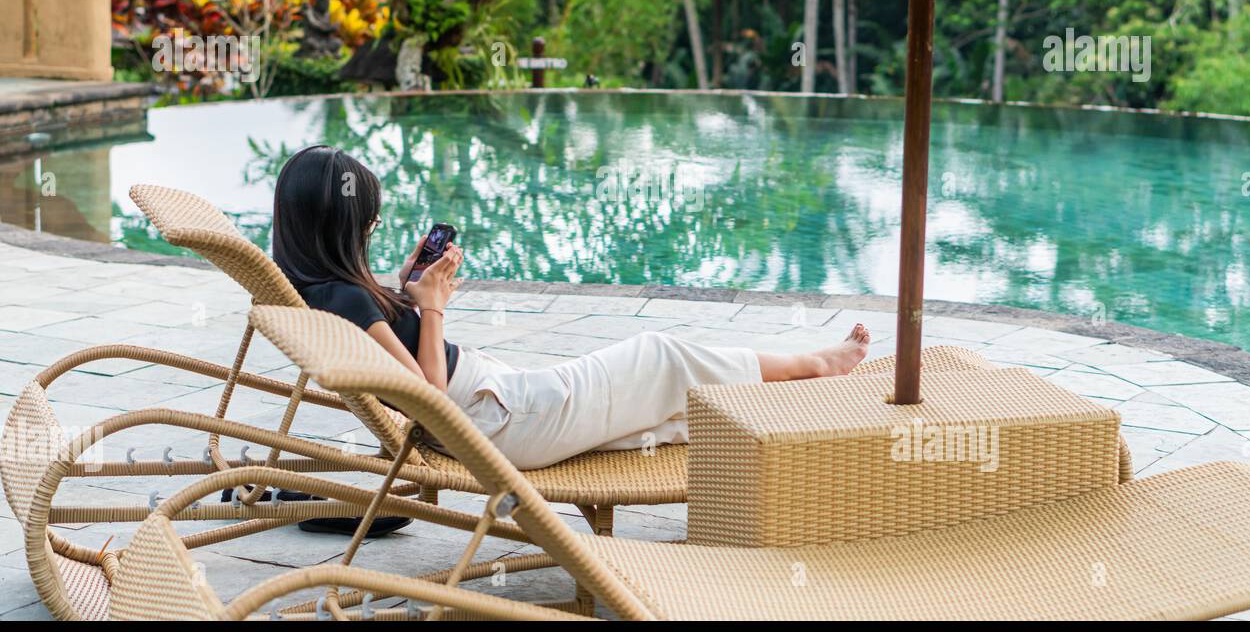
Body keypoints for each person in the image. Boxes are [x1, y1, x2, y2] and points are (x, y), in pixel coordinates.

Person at [272, 145, 871, 471]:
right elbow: (425, 396)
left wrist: (406, 289)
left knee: (666, 414)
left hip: (499, 404)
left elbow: (400, 370)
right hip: (496, 423)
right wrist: (431, 308)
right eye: (368, 216)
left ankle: (788, 412)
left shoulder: (319, 287)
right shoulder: (344, 297)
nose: (374, 224)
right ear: (341, 221)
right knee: (658, 355)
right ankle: (811, 369)